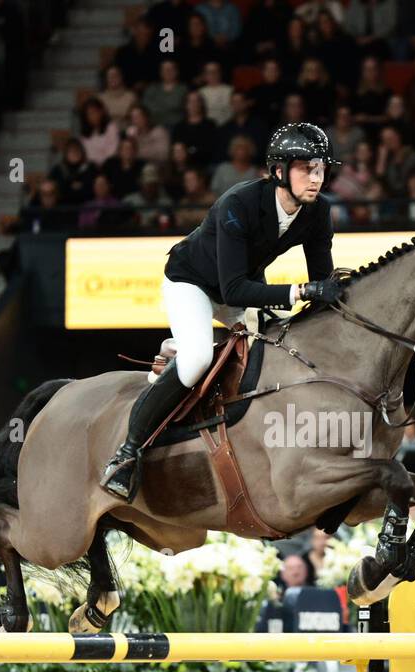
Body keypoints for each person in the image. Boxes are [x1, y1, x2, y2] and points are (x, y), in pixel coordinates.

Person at [101, 122, 343, 502]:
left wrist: (335, 294)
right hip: (192, 283)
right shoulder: (238, 203)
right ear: (279, 171)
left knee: (282, 347)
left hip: (241, 287)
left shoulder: (317, 212)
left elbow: (321, 282)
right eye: (306, 168)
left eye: (321, 169)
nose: (316, 178)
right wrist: (299, 290)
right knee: (198, 358)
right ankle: (126, 454)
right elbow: (232, 291)